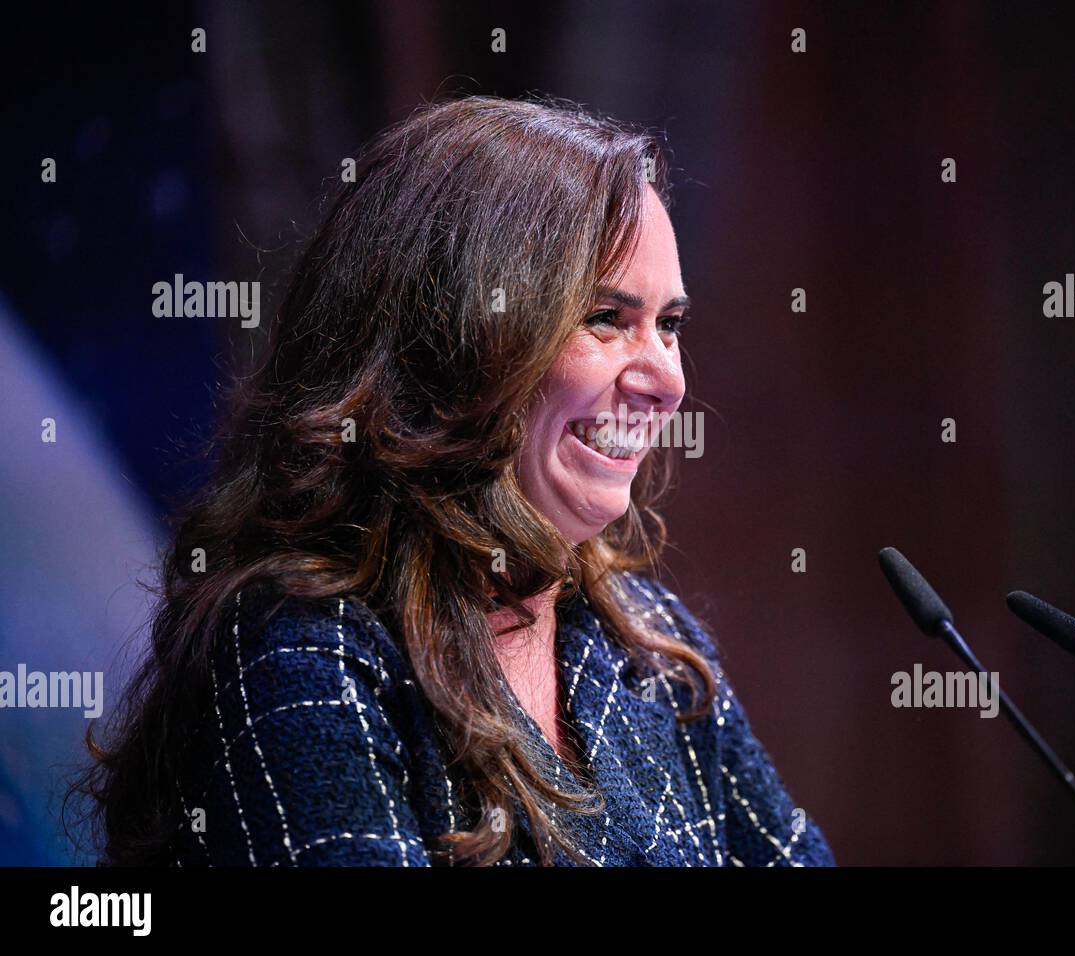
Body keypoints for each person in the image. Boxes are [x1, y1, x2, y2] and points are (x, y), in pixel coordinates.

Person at [73, 94, 835, 867]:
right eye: (606, 317)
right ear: (455, 342)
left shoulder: (649, 648)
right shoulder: (302, 649)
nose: (668, 380)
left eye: (669, 325)